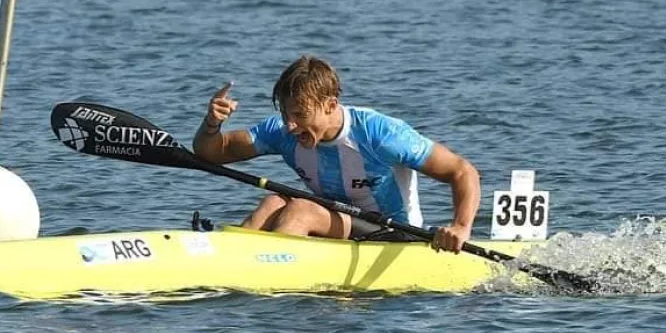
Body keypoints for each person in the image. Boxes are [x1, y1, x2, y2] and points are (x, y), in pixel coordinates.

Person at [192, 55, 480, 253]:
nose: (291, 126)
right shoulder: (281, 131)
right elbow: (213, 152)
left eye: (300, 115)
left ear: (330, 106)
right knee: (271, 203)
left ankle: (270, 272)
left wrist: (460, 227)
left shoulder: (378, 133)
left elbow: (462, 171)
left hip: (396, 235)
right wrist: (212, 123)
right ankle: (233, 262)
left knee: (301, 210)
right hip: (337, 223)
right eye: (285, 114)